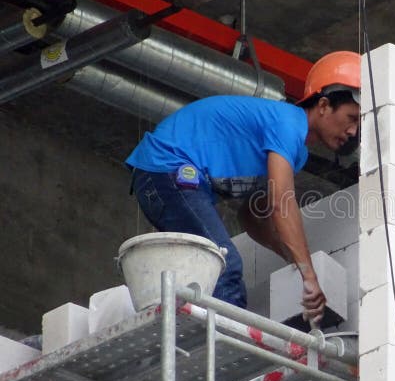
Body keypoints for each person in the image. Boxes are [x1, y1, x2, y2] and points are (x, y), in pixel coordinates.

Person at [125, 51, 361, 323]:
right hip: (167, 169)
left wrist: (291, 258)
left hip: (164, 179)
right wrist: (308, 274)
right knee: (224, 265)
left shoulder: (296, 153)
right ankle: (224, 353)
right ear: (323, 105)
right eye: (351, 117)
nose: (353, 131)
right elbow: (281, 202)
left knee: (206, 270)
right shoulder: (288, 124)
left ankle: (201, 341)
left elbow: (252, 215)